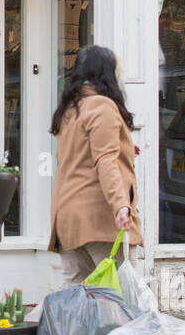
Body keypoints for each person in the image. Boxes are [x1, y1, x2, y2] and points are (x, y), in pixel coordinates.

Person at [49, 44, 143, 287]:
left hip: (67, 219)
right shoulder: (102, 106)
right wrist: (121, 205)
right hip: (98, 220)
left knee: (78, 302)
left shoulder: (70, 110)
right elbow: (104, 161)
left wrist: (125, 149)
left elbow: (79, 158)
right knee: (123, 298)